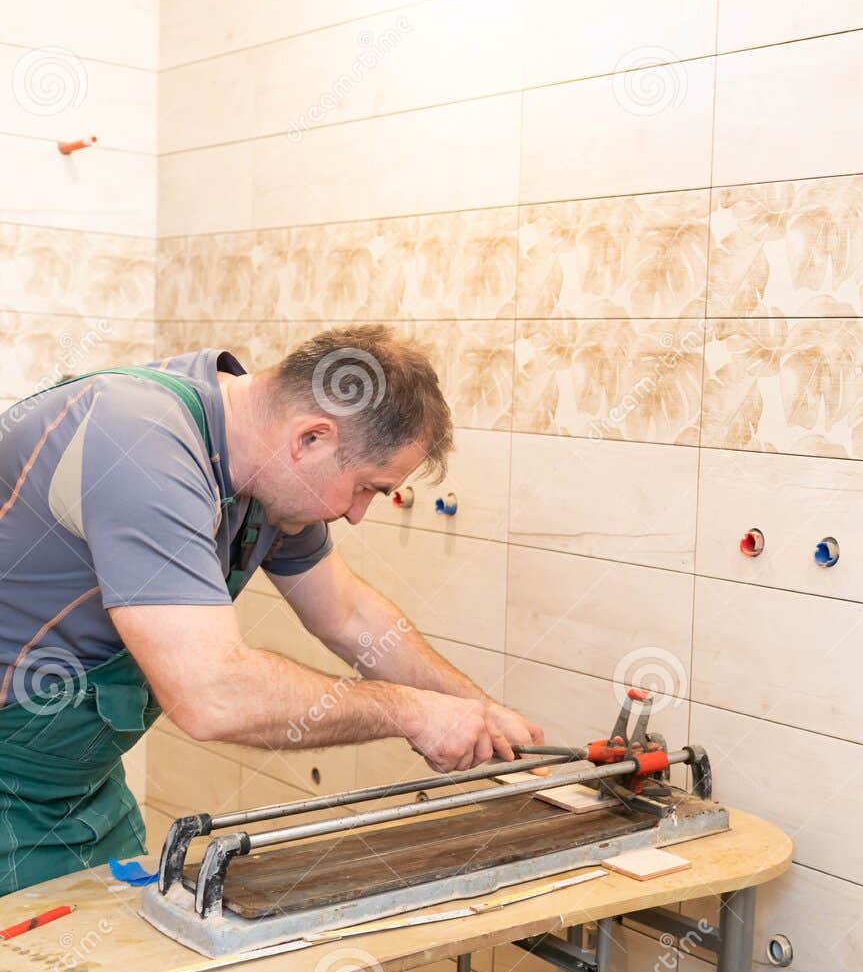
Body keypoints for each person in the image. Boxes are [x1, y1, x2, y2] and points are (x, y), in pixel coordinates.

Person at [0, 324, 543, 894]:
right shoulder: (142, 440)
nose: (357, 515)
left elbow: (347, 613)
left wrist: (479, 714)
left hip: (75, 788)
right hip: (12, 783)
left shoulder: (261, 476)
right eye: (366, 488)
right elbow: (210, 694)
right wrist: (411, 713)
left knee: (122, 956)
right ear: (311, 438)